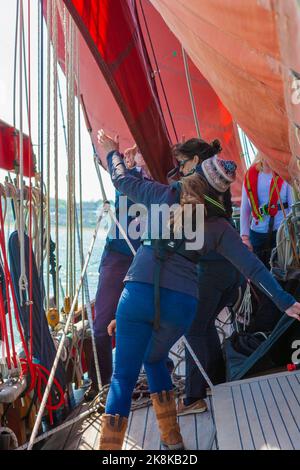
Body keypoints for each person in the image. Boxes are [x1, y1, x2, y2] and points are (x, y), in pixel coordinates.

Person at [96, 130, 300, 451]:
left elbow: (121, 180)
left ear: (195, 174)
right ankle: (173, 441)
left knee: (123, 377)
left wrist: (111, 152)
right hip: (182, 302)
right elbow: (253, 268)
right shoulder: (220, 227)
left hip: (138, 293)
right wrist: (286, 301)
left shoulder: (163, 195)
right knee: (154, 357)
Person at [170, 139, 245, 416]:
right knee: (205, 325)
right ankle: (217, 380)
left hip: (211, 274)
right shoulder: (214, 182)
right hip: (228, 272)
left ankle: (193, 397)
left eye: (182, 164)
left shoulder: (199, 185)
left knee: (193, 329)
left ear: (195, 161)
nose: (179, 170)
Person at [86, 145, 143, 399]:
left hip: (146, 260)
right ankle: (102, 383)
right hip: (117, 257)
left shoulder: (159, 181)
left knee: (144, 321)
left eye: (137, 151)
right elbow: (115, 172)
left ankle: (156, 371)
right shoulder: (124, 179)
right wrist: (115, 153)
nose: (131, 155)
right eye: (129, 153)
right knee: (100, 327)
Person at [240, 152, 293, 267]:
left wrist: (292, 233)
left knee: (282, 271)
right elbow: (245, 209)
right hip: (257, 234)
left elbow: (292, 206)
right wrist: (245, 237)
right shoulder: (250, 176)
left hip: (281, 233)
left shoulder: (284, 174)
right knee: (260, 272)